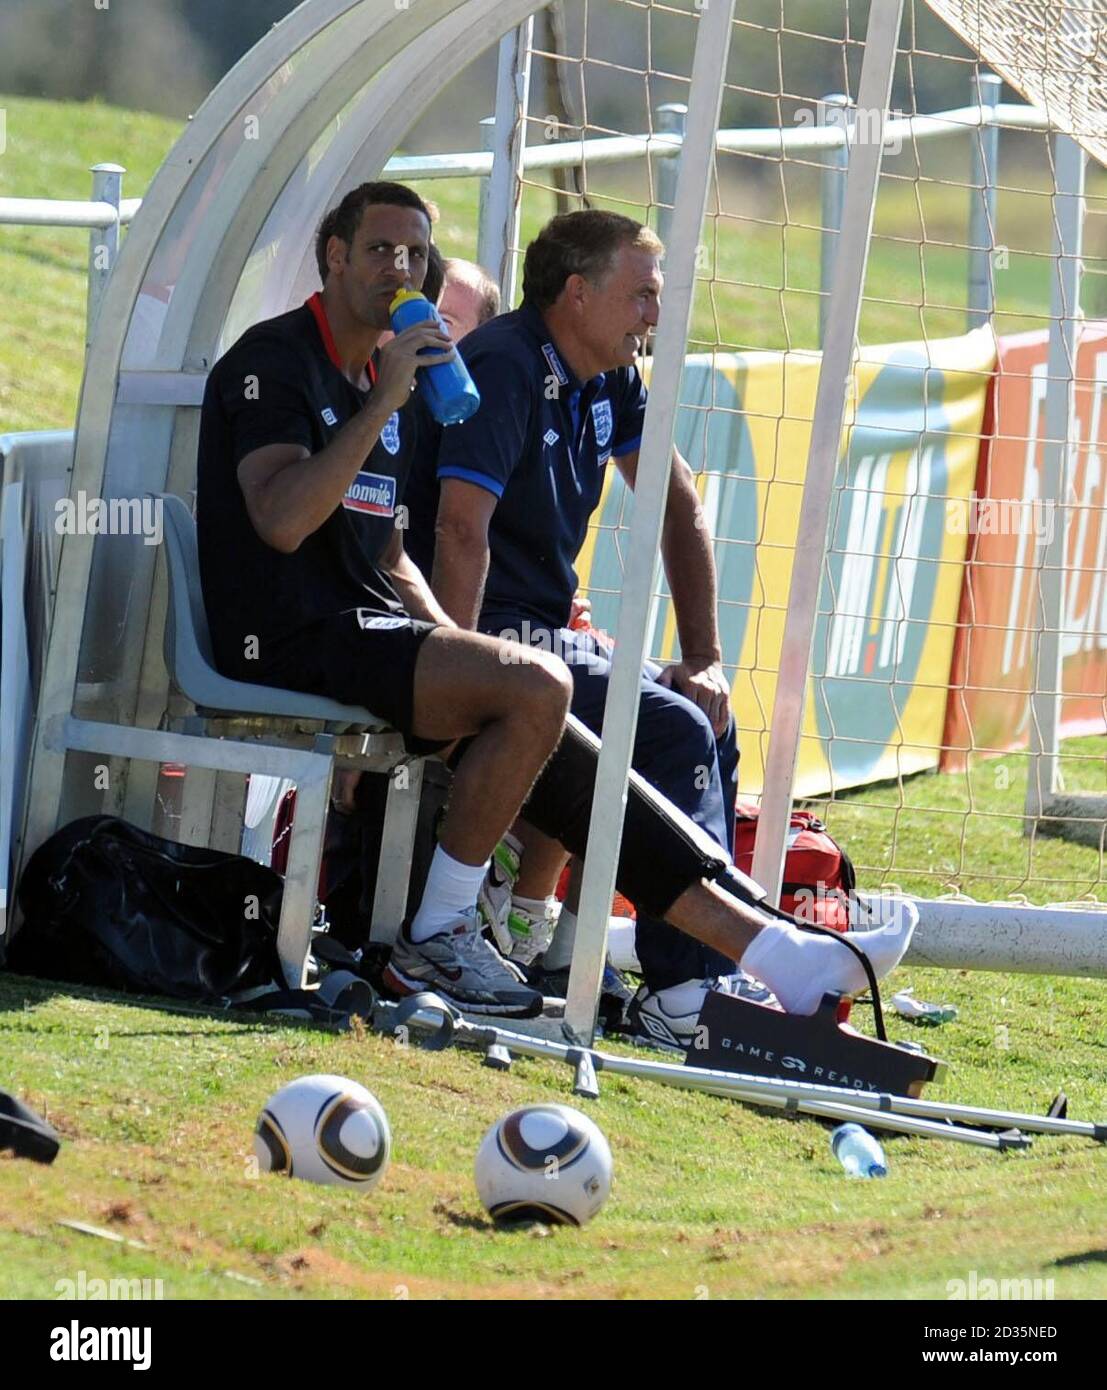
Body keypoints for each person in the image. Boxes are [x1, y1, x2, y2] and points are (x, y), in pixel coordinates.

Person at [196, 179, 918, 1029]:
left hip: (374, 633)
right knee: (541, 685)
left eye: (416, 255)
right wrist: (385, 406)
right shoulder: (278, 360)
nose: (399, 268)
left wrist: (447, 645)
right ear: (334, 257)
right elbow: (281, 523)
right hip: (282, 639)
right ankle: (443, 929)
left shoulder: (371, 376)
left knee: (575, 738)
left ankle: (770, 951)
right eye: (381, 250)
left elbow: (388, 550)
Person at [403, 209, 757, 1047]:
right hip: (483, 633)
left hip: (542, 635)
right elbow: (458, 532)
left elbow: (678, 505)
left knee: (705, 712)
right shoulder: (503, 364)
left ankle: (666, 966)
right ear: (575, 293)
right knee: (665, 728)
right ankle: (685, 997)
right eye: (640, 296)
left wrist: (702, 656)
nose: (653, 317)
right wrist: (457, 671)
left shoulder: (609, 379)